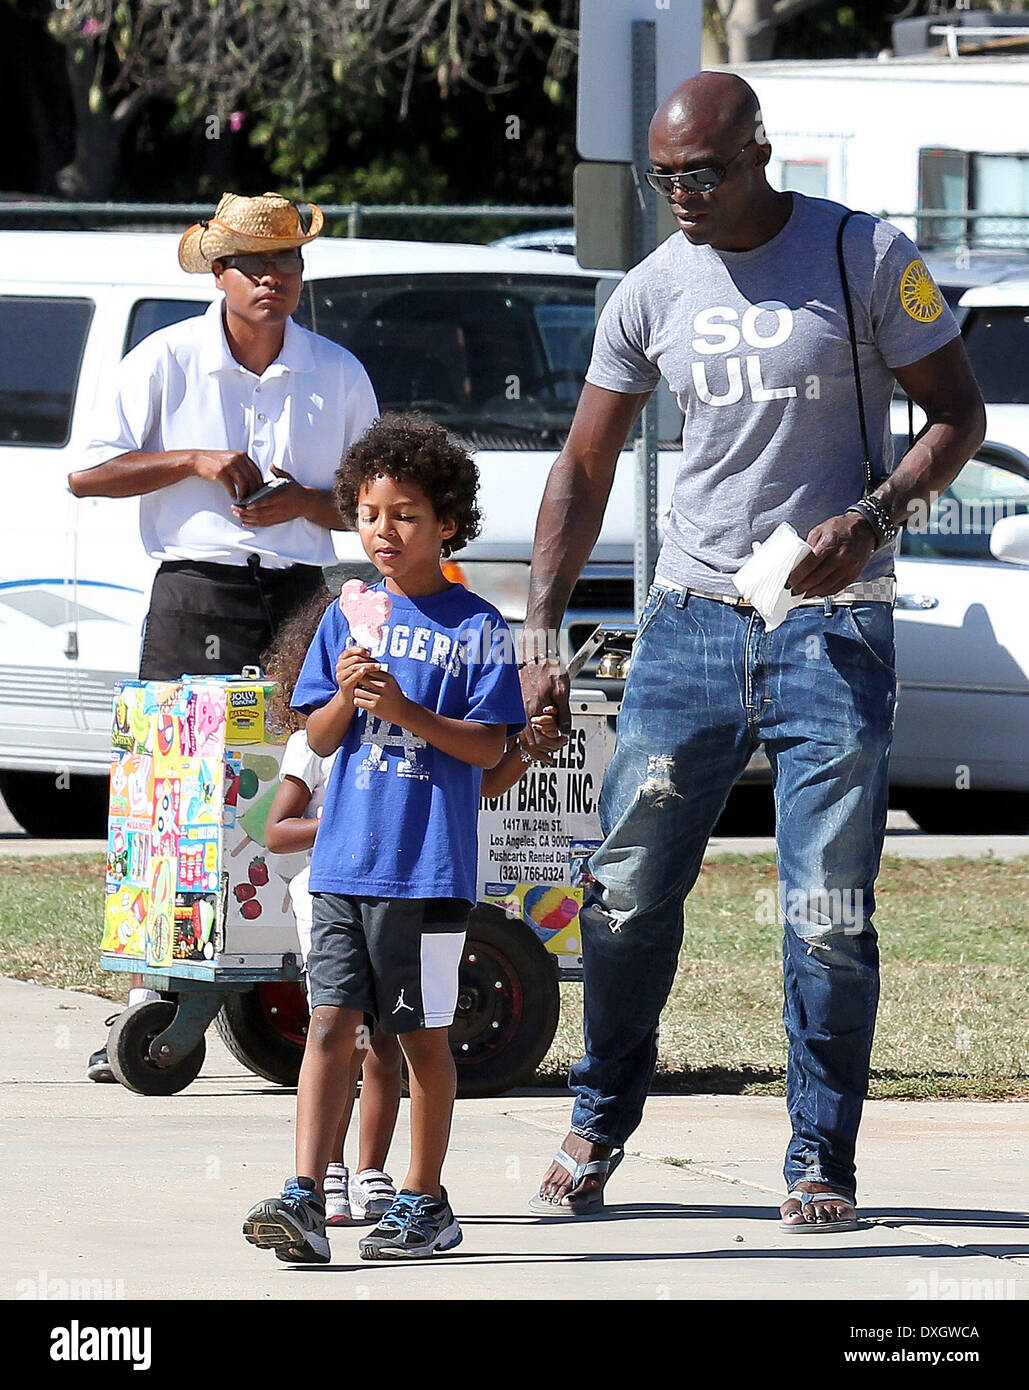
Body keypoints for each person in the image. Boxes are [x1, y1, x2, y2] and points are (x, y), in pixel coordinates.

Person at [518, 71, 986, 1229]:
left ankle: (820, 1155)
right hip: (689, 623)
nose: (680, 194)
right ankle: (597, 1118)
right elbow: (584, 463)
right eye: (662, 177)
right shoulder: (651, 288)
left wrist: (872, 517)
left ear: (758, 156)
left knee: (828, 907)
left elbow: (958, 416)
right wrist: (539, 624)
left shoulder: (865, 256)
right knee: (624, 893)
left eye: (701, 173)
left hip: (834, 624)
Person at [70, 190, 378, 1082]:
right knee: (173, 794)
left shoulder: (336, 371)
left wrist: (305, 503)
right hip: (194, 592)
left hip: (300, 599)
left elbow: (376, 503)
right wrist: (196, 461)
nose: (273, 278)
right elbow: (87, 473)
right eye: (254, 264)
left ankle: (313, 979)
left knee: (300, 776)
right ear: (219, 273)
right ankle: (151, 998)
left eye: (287, 262)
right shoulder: (166, 358)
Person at [242, 413, 525, 1263]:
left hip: (424, 870)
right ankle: (305, 1191)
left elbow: (488, 749)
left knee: (418, 1035)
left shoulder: (477, 626)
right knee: (330, 1021)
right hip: (342, 862)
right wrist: (346, 693)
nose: (383, 531)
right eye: (368, 515)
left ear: (448, 523)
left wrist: (405, 709)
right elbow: (318, 735)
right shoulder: (346, 612)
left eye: (405, 515)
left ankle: (424, 1198)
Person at [262, 591, 403, 1224]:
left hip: (394, 892)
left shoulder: (400, 734)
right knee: (338, 1034)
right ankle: (330, 1169)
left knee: (385, 1041)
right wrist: (340, 824)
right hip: (326, 899)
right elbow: (277, 830)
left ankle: (373, 1169)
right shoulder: (311, 744)